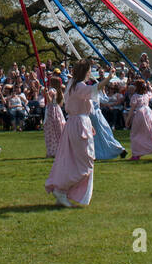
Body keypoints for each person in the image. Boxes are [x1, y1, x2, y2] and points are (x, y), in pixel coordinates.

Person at [44, 60, 107, 207]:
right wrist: (109, 78)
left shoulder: (73, 84)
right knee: (85, 162)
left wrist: (89, 124)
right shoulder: (78, 86)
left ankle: (63, 191)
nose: (90, 72)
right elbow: (95, 88)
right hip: (78, 125)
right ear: (85, 71)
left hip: (76, 123)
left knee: (74, 159)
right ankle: (61, 189)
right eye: (89, 70)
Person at [88, 82, 127, 161]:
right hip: (97, 115)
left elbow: (105, 100)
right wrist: (103, 91)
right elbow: (105, 100)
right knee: (104, 134)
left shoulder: (91, 93)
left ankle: (118, 149)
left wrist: (102, 90)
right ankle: (99, 153)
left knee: (101, 135)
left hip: (94, 115)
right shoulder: (96, 93)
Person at [43, 81, 65, 159]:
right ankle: (59, 151)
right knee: (59, 132)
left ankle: (52, 152)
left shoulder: (52, 91)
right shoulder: (61, 92)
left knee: (51, 132)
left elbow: (50, 102)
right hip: (58, 112)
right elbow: (60, 104)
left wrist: (46, 94)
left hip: (51, 112)